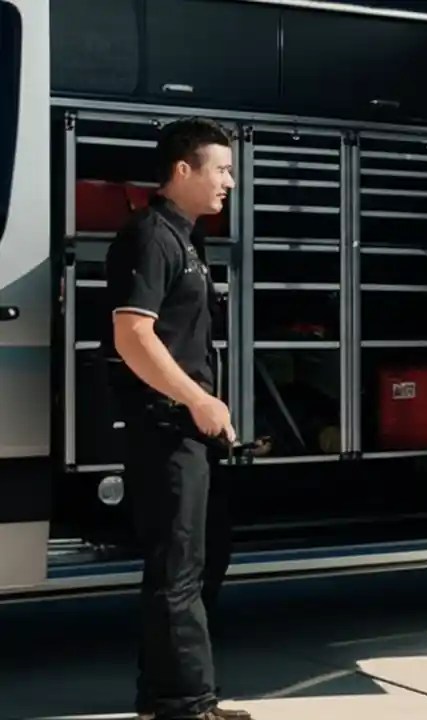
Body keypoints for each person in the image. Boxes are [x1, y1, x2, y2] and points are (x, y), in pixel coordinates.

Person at [107, 117, 252, 719]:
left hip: (190, 428)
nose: (230, 182)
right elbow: (132, 335)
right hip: (165, 428)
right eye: (222, 169)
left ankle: (164, 698)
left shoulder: (186, 238)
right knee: (179, 570)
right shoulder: (150, 236)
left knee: (201, 561)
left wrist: (208, 410)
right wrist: (197, 399)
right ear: (183, 169)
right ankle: (186, 705)